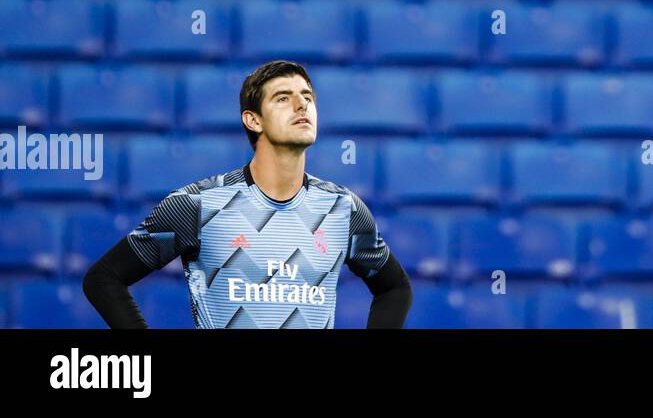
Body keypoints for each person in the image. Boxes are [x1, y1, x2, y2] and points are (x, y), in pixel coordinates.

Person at [83, 60, 412, 328]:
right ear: (253, 120)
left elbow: (394, 288)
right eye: (283, 98)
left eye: (308, 97)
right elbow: (104, 278)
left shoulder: (343, 209)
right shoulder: (197, 206)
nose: (301, 105)